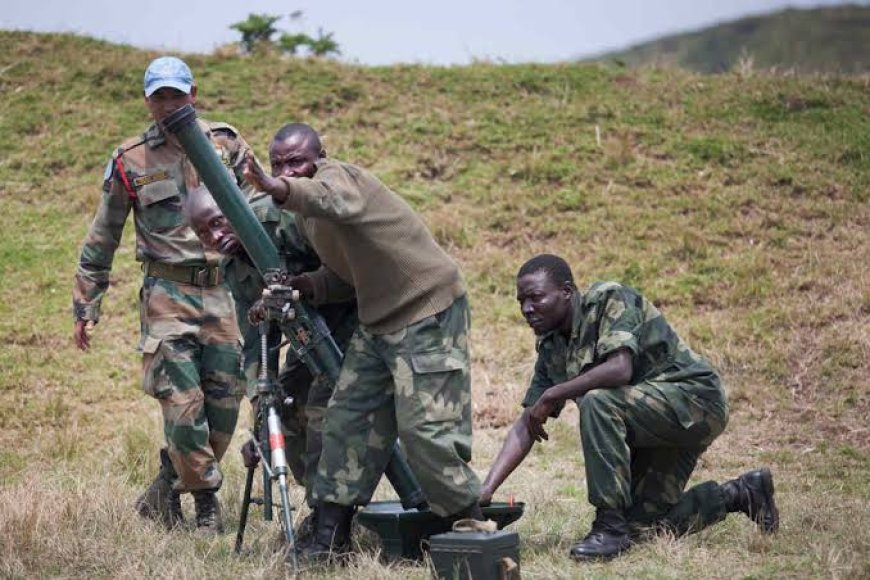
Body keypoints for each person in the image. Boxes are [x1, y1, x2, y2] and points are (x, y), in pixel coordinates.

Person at [243, 123, 482, 560]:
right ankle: (332, 537)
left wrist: (273, 185)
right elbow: (345, 274)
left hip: (425, 308)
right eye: (278, 163)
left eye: (296, 161)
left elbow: (328, 198)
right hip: (377, 320)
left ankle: (466, 525)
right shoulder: (306, 214)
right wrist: (308, 284)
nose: (288, 170)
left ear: (321, 156)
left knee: (425, 428)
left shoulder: (342, 179)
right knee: (345, 420)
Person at [480, 254, 779, 561]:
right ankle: (741, 493)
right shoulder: (552, 346)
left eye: (536, 297)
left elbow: (619, 369)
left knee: (597, 401)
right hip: (651, 423)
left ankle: (608, 527)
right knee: (640, 527)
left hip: (694, 403)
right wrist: (485, 490)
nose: (527, 309)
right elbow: (527, 423)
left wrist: (554, 394)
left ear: (567, 291)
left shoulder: (608, 298)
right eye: (521, 301)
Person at [72, 56, 251, 534]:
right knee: (182, 405)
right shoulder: (131, 158)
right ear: (148, 102)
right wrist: (87, 303)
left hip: (225, 296)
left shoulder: (226, 145)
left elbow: (263, 209)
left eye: (177, 94)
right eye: (160, 97)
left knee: (225, 405)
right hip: (166, 296)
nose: (169, 104)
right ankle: (206, 504)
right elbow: (103, 234)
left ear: (194, 94)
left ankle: (164, 487)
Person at [184, 183, 358, 538]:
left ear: (236, 208)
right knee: (286, 412)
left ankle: (333, 523)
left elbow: (346, 266)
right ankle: (321, 509)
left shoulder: (282, 222)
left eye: (218, 222)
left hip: (355, 321)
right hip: (311, 338)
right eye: (203, 234)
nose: (215, 237)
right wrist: (263, 409)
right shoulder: (235, 270)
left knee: (325, 414)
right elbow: (255, 342)